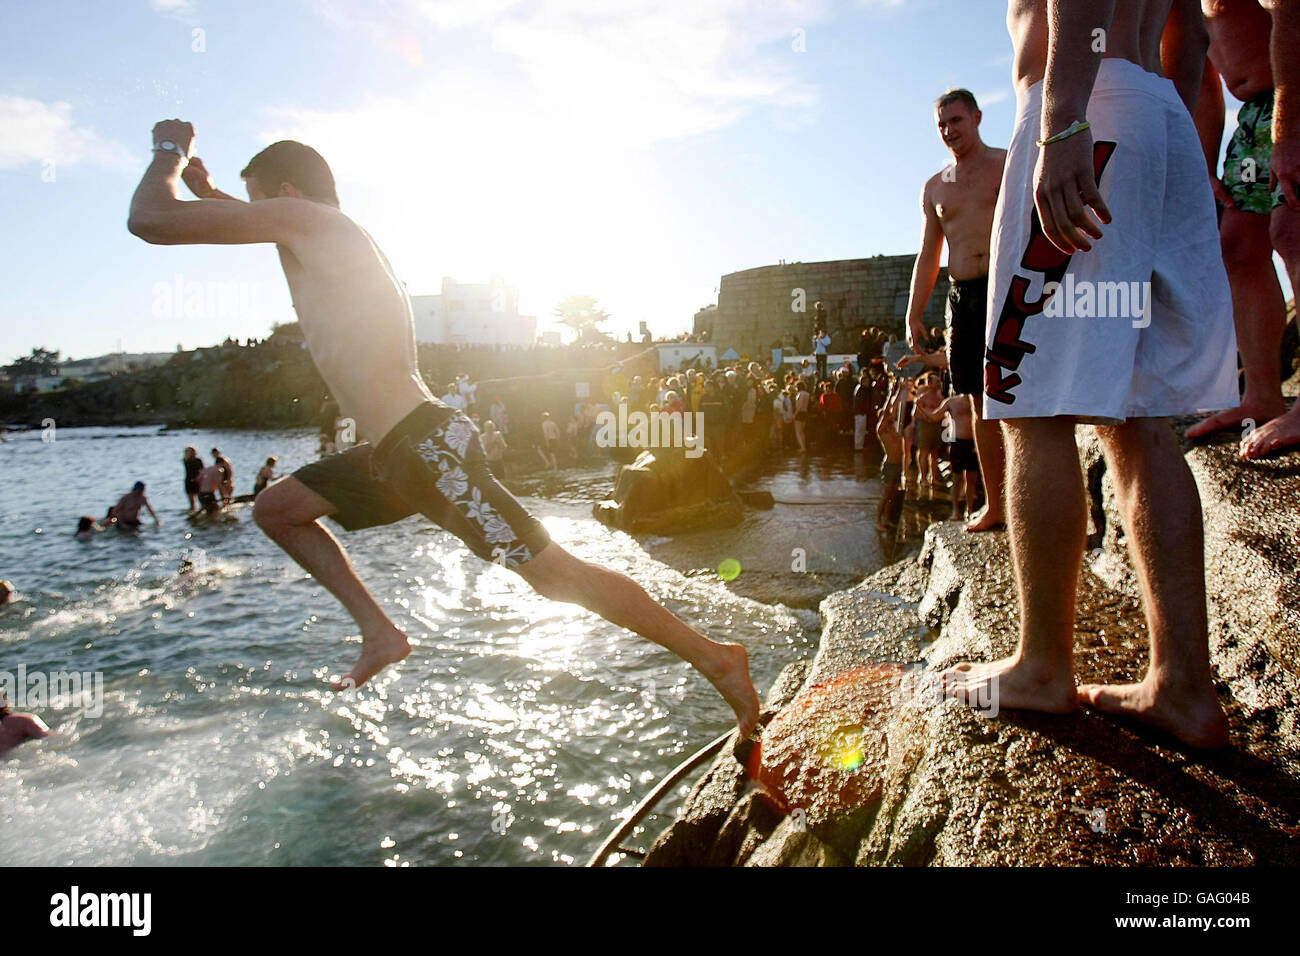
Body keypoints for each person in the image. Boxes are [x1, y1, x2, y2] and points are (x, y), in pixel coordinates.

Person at [131, 130, 758, 740]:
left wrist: (169, 151)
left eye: (265, 200)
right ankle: (380, 633)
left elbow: (153, 221)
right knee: (278, 508)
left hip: (424, 447)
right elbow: (231, 216)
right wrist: (205, 186)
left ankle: (715, 658)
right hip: (393, 452)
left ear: (289, 192)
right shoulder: (323, 233)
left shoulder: (315, 227)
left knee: (551, 574)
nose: (261, 216)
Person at [943, 0, 1236, 750]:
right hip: (1157, 109)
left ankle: (1042, 666)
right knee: (1138, 415)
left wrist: (1066, 116)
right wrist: (1159, 127)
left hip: (1085, 110)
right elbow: (1192, 33)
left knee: (1030, 406)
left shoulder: (1071, 109)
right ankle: (1183, 686)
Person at [1184, 0, 1300, 458]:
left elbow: (1291, 13)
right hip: (1252, 115)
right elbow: (1205, 80)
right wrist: (1204, 165)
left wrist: (1290, 134)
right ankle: (1262, 395)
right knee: (1237, 246)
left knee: (1291, 232)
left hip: (1292, 96)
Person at [903, 88, 1009, 532]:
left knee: (1024, 396)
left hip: (1007, 288)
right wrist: (914, 312)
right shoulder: (935, 187)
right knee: (978, 401)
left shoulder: (1006, 164)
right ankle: (998, 504)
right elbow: (929, 253)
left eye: (957, 121)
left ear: (977, 117)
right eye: (942, 125)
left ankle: (1030, 499)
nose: (949, 132)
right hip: (962, 295)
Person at [937, 392, 980, 519]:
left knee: (971, 479)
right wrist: (920, 407)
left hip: (973, 441)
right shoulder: (951, 401)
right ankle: (956, 511)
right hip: (957, 442)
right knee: (957, 479)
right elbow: (935, 416)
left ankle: (970, 510)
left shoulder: (977, 399)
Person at [914, 373, 946, 492]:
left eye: (939, 381)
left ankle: (933, 477)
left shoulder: (940, 397)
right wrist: (928, 417)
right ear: (930, 383)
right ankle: (922, 477)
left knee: (935, 453)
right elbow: (916, 413)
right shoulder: (923, 397)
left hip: (936, 427)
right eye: (936, 381)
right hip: (925, 427)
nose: (939, 383)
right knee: (924, 451)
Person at [183, 446, 203, 512]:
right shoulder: (186, 460)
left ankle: (201, 510)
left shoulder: (199, 460)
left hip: (198, 481)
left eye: (192, 451)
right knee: (191, 500)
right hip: (189, 481)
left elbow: (203, 470)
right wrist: (188, 451)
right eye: (190, 452)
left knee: (200, 498)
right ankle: (193, 511)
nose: (192, 453)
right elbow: (186, 459)